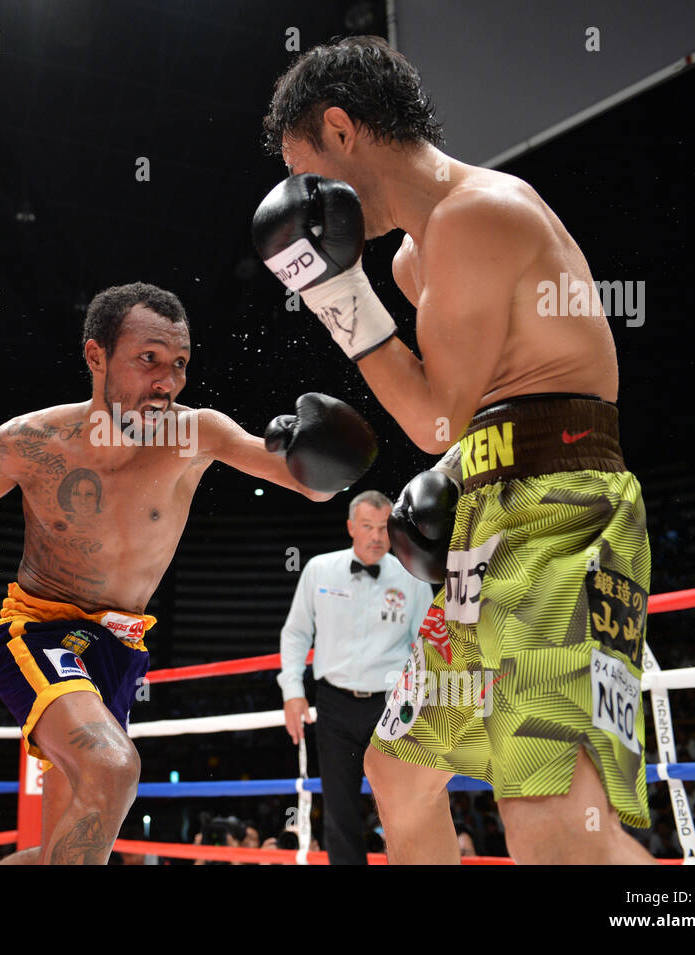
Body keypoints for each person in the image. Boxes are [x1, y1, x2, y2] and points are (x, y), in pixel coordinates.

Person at [255, 36, 653, 863]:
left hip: (561, 517)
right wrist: (449, 477)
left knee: (552, 813)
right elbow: (469, 420)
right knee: (399, 771)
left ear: (340, 130)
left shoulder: (479, 214)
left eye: (308, 173)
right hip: (491, 515)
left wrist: (335, 296)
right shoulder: (411, 258)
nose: (309, 200)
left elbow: (439, 417)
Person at [0, 282, 376, 865]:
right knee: (113, 769)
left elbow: (312, 485)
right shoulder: (33, 441)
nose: (167, 380)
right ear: (96, 356)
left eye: (179, 364)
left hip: (120, 648)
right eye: (149, 359)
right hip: (41, 633)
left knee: (64, 849)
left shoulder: (196, 434)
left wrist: (321, 450)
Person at [278, 490, 433, 864]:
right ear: (351, 527)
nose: (377, 536)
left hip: (392, 705)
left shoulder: (412, 576)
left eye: (383, 527)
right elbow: (296, 634)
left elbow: (426, 646)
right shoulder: (319, 570)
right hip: (333, 703)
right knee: (339, 805)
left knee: (401, 803)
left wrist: (426, 705)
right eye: (367, 526)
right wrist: (293, 692)